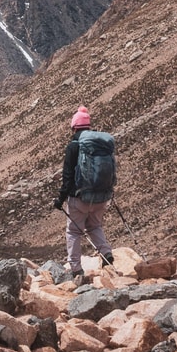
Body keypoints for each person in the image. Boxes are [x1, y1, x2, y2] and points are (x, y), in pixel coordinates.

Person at [53, 106, 114, 279]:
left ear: (74, 127)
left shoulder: (74, 146)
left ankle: (76, 269)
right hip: (102, 196)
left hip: (80, 198)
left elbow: (68, 176)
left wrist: (61, 198)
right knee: (95, 226)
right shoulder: (100, 145)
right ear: (88, 127)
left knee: (73, 231)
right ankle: (106, 253)